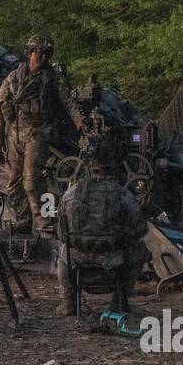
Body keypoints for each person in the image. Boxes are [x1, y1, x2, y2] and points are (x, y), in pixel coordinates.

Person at [0, 34, 86, 233]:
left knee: (32, 180)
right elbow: (0, 107)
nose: (43, 58)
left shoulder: (52, 79)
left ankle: (45, 222)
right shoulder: (15, 77)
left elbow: (68, 102)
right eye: (40, 53)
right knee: (13, 183)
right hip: (15, 135)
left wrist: (80, 121)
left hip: (39, 134)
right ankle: (23, 220)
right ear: (30, 53)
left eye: (47, 54)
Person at [56, 123, 147, 316]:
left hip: (78, 262)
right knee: (140, 249)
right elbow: (140, 229)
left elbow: (61, 231)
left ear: (89, 165)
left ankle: (68, 303)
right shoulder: (124, 196)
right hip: (112, 263)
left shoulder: (70, 194)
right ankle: (119, 301)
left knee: (62, 249)